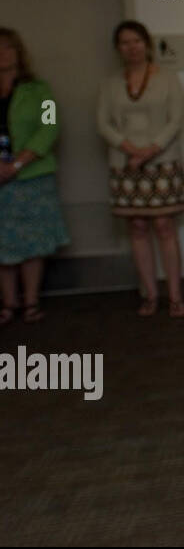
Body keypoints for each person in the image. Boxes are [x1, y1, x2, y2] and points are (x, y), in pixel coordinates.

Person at [97, 20, 184, 318]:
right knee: (136, 227)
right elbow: (103, 123)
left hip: (162, 161)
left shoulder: (167, 78)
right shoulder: (111, 83)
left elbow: (175, 119)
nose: (131, 47)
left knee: (164, 226)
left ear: (147, 44)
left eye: (136, 41)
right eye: (124, 43)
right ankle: (149, 295)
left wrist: (149, 150)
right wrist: (130, 150)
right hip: (125, 165)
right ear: (118, 48)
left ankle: (175, 296)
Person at [0, 27, 70, 326]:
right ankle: (8, 303)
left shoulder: (39, 89)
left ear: (18, 52)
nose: (2, 53)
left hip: (32, 175)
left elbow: (50, 126)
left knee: (32, 240)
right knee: (3, 242)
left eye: (7, 47)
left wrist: (17, 164)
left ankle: (30, 301)